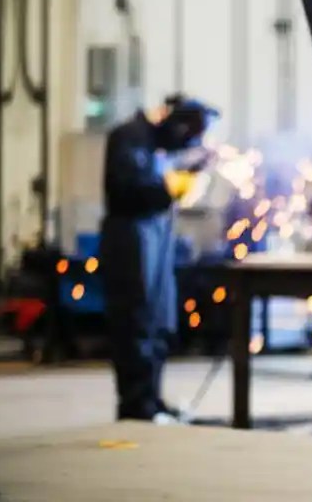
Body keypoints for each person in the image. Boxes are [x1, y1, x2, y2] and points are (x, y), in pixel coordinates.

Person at [100, 94, 218, 423]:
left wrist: (188, 171)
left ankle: (150, 400)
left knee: (159, 322)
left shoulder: (156, 148)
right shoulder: (129, 137)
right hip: (131, 239)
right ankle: (136, 404)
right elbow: (132, 191)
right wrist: (176, 184)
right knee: (137, 322)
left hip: (154, 237)